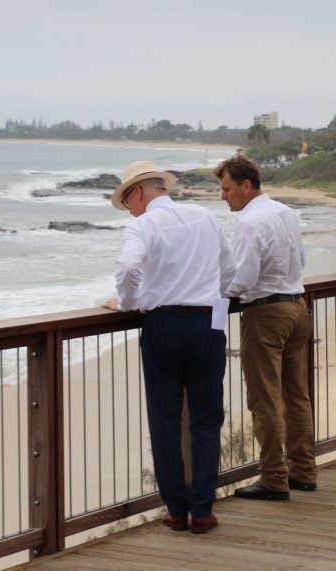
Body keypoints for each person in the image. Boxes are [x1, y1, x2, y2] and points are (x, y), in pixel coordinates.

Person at [103, 161, 234, 535]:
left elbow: (129, 267)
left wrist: (128, 303)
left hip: (163, 325)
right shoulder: (204, 216)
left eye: (127, 202)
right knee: (207, 419)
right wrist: (215, 303)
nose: (130, 210)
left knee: (165, 421)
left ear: (138, 193)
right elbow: (229, 269)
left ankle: (177, 510)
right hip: (207, 323)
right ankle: (203, 510)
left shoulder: (143, 225)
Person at [215, 155, 317, 500]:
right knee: (297, 396)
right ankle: (304, 470)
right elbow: (300, 260)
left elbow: (243, 279)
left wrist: (216, 292)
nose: (222, 196)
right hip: (297, 305)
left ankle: (274, 478)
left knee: (265, 399)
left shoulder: (250, 222)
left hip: (266, 313)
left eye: (226, 189)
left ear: (246, 186)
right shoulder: (285, 212)